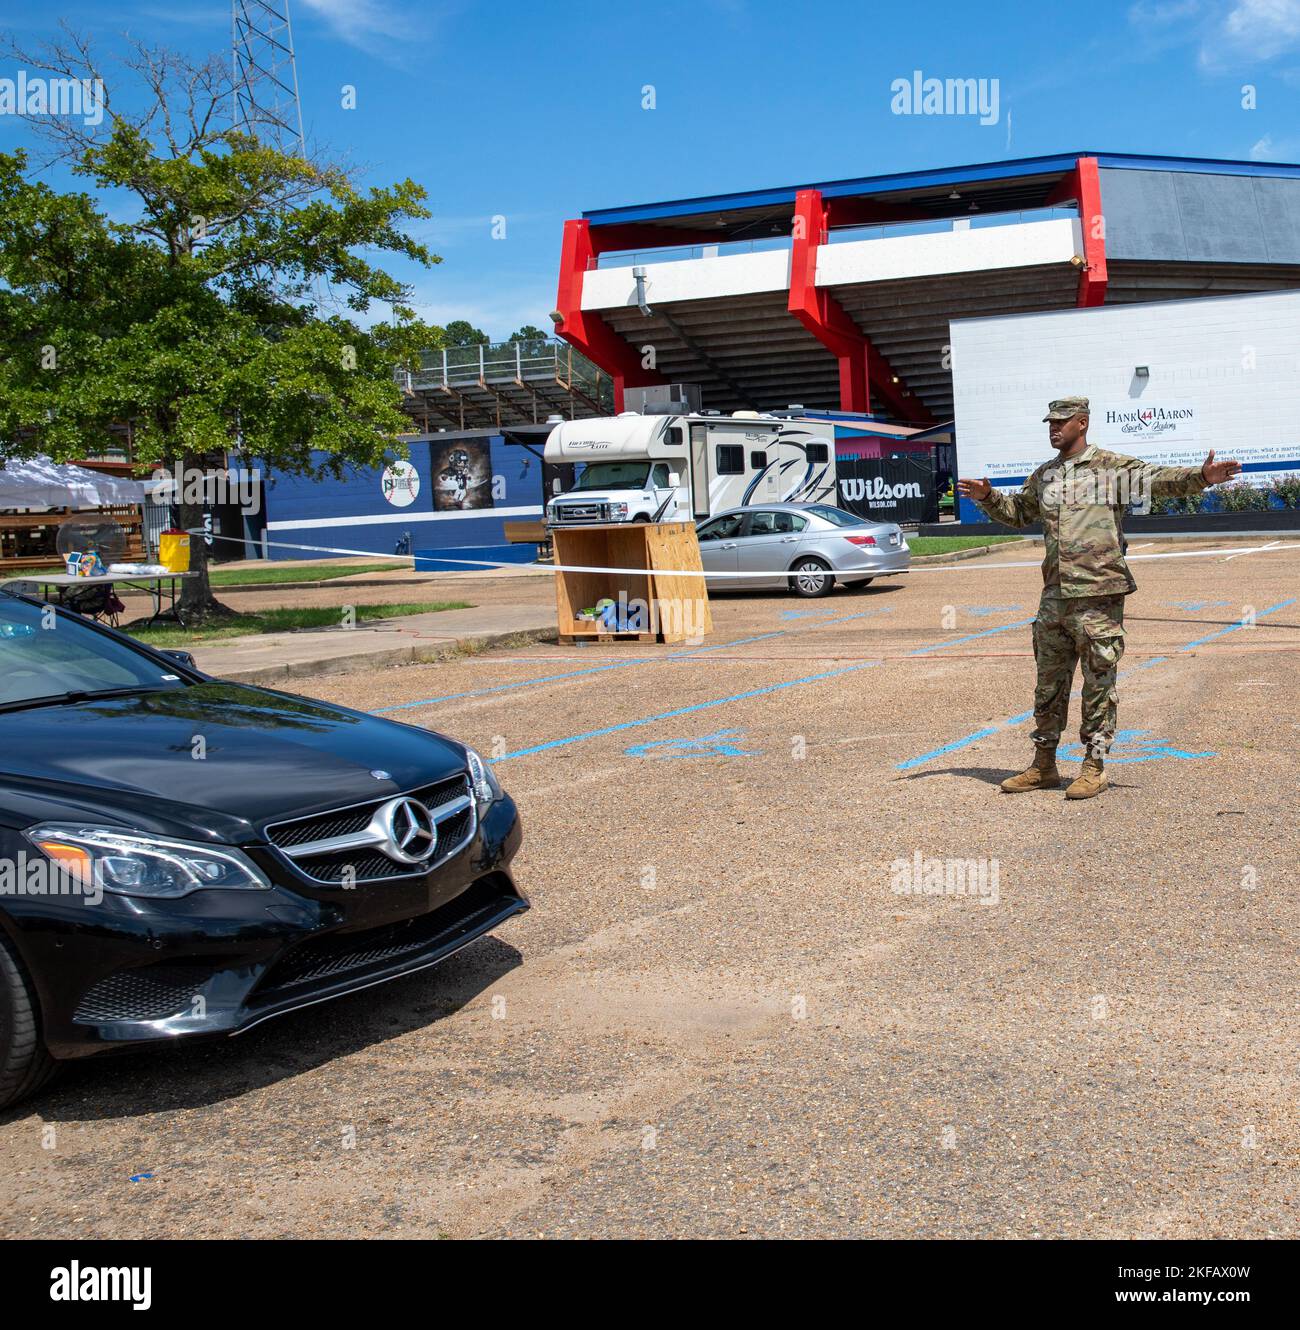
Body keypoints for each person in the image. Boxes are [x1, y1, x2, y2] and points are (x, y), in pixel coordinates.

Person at [956, 397, 1241, 799]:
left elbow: (1160, 479)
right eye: (1049, 423)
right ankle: (1044, 765)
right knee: (1048, 686)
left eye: (1061, 422)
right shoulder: (1047, 475)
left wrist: (1202, 477)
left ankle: (1094, 765)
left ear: (1082, 423)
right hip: (1054, 596)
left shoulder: (1111, 469)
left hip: (1099, 595)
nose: (1053, 428)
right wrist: (987, 496)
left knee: (1098, 685)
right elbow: (1018, 512)